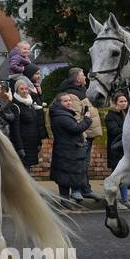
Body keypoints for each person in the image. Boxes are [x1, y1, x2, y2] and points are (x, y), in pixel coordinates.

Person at [59, 68, 102, 199]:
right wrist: (81, 136)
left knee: (84, 164)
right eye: (83, 75)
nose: (85, 77)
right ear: (77, 78)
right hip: (83, 135)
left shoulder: (83, 90)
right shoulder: (73, 94)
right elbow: (76, 117)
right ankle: (77, 190)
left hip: (89, 133)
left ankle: (85, 189)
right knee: (79, 164)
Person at [49, 91, 92, 200]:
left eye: (70, 100)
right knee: (64, 177)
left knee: (65, 176)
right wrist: (87, 120)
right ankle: (65, 201)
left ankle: (66, 200)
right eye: (65, 101)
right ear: (59, 102)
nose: (69, 103)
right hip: (66, 150)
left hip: (66, 149)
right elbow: (76, 129)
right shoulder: (61, 115)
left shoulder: (61, 113)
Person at [11, 75, 46, 172]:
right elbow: (15, 129)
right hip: (23, 144)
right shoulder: (15, 106)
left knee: (28, 169)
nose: (25, 91)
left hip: (32, 143)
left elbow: (36, 124)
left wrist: (39, 142)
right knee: (23, 170)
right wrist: (19, 147)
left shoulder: (30, 104)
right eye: (21, 89)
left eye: (26, 88)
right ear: (17, 90)